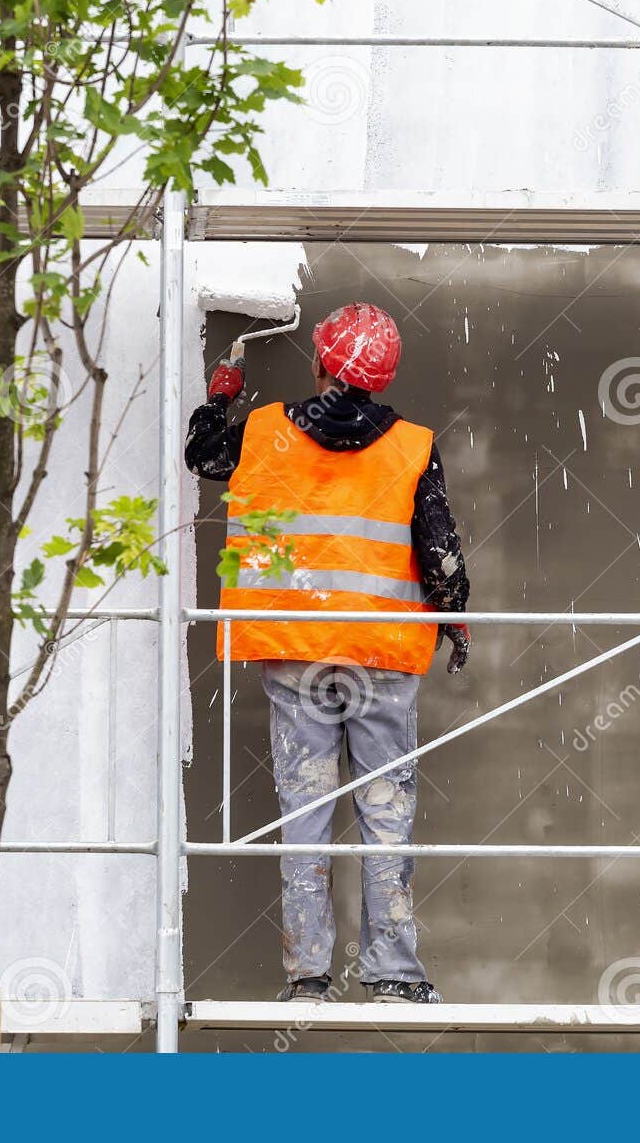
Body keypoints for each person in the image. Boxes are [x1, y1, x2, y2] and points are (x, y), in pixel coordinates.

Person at [184, 302, 470, 1004]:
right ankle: (395, 976)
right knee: (385, 814)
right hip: (382, 655)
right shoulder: (411, 446)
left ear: (319, 364)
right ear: (381, 377)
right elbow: (441, 557)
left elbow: (202, 453)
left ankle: (308, 978)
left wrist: (221, 391)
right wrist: (455, 617)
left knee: (305, 815)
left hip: (296, 652)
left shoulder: (263, 432)